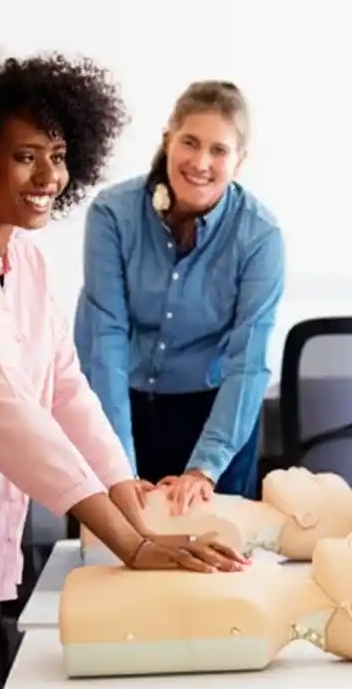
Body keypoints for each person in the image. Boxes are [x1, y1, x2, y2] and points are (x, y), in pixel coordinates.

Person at [0, 44, 247, 689]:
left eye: (58, 156)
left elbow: (66, 390)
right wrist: (130, 544)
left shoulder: (27, 262)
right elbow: (4, 412)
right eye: (24, 156)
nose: (48, 176)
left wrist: (140, 519)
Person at [75, 81, 284, 511]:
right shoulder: (112, 214)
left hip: (213, 415)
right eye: (190, 142)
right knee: (115, 557)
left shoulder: (259, 236)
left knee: (216, 563)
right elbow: (106, 340)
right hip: (121, 408)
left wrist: (203, 468)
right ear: (168, 140)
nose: (201, 163)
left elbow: (248, 361)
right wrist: (119, 469)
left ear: (239, 162)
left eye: (219, 150)